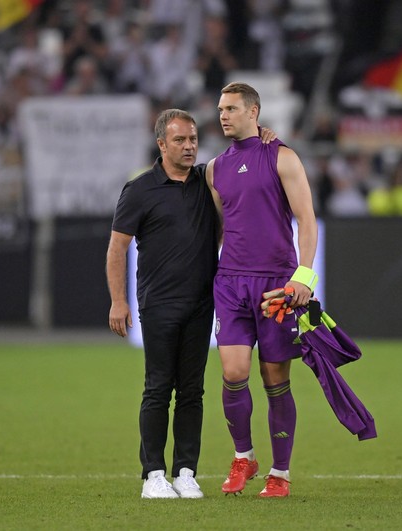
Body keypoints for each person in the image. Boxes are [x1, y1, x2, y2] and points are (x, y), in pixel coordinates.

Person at [106, 108, 276, 499]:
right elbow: (117, 246)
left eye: (193, 139)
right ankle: (153, 475)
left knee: (192, 391)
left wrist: (261, 134)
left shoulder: (206, 180)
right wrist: (118, 300)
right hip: (159, 303)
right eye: (179, 140)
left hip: (202, 303)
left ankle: (185, 470)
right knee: (157, 388)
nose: (189, 147)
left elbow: (242, 161)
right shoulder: (140, 189)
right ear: (161, 144)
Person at [206, 82, 318, 498]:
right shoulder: (214, 168)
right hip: (231, 282)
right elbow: (217, 230)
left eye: (232, 108)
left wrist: (303, 278)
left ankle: (280, 473)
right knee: (233, 373)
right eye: (220, 108)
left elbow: (307, 219)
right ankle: (243, 457)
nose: (223, 115)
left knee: (275, 380)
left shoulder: (282, 156)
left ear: (254, 112)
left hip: (275, 285)